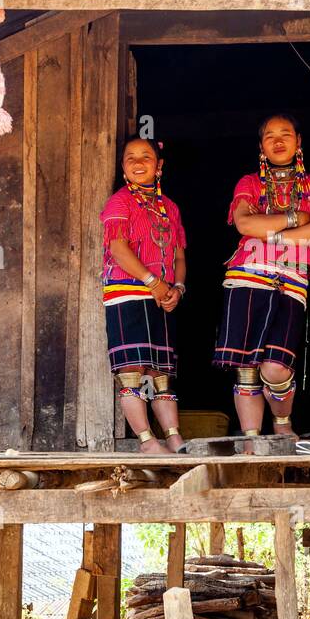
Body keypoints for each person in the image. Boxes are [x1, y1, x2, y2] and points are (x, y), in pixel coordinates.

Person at [212, 113, 310, 447]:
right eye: (270, 136)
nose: (278, 141)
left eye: (286, 134)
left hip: (292, 281)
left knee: (277, 367)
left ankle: (282, 422)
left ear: (299, 142)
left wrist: (274, 236)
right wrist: (295, 220)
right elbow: (244, 226)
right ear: (261, 147)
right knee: (247, 367)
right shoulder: (249, 182)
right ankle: (251, 439)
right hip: (247, 278)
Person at [100, 138, 188, 453]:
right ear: (123, 167)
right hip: (127, 294)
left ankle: (174, 436)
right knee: (131, 371)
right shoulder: (119, 202)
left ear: (159, 165)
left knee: (162, 372)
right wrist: (153, 282)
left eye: (146, 157)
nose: (138, 163)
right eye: (130, 158)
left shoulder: (171, 208)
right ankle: (147, 441)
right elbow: (118, 249)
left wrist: (177, 288)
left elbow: (179, 256)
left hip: (161, 295)